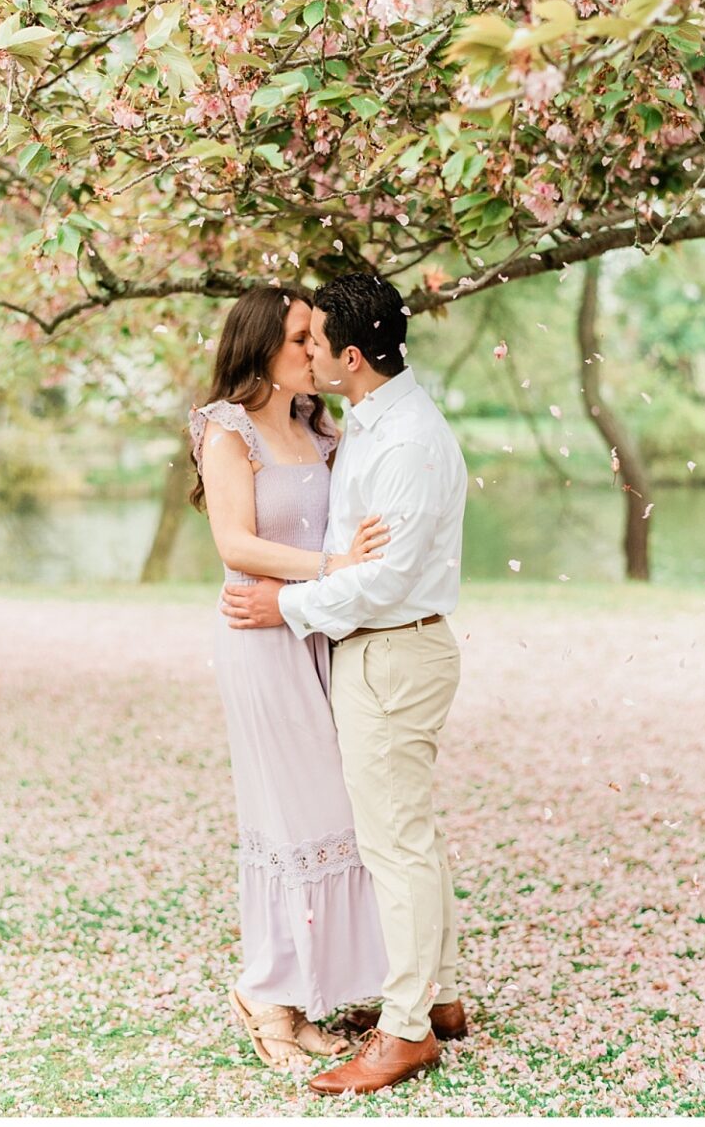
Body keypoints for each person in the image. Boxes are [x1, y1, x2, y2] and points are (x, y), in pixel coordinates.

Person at [221, 272, 470, 1095]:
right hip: (368, 648)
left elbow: (385, 580)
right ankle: (431, 997)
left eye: (316, 340)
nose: (310, 353)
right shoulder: (366, 421)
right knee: (406, 834)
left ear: (351, 355)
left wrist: (287, 603)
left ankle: (404, 1030)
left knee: (392, 842)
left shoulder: (402, 440)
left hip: (391, 646)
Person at [190, 285, 393, 1070]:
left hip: (316, 630)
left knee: (333, 814)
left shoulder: (319, 425)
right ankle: (263, 991)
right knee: (287, 814)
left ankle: (303, 996)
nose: (314, 349)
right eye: (300, 337)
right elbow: (235, 543)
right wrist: (328, 568)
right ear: (261, 347)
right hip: (260, 635)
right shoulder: (227, 429)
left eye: (316, 335)